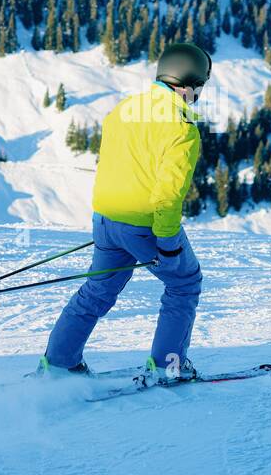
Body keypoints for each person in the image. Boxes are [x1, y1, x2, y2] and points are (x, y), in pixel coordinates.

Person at [39, 42, 211, 380]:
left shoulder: (124, 109)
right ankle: (168, 367)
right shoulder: (182, 128)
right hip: (144, 224)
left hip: (105, 218)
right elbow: (167, 195)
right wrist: (168, 242)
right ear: (189, 85)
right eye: (200, 87)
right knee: (184, 283)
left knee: (97, 290)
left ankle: (58, 365)